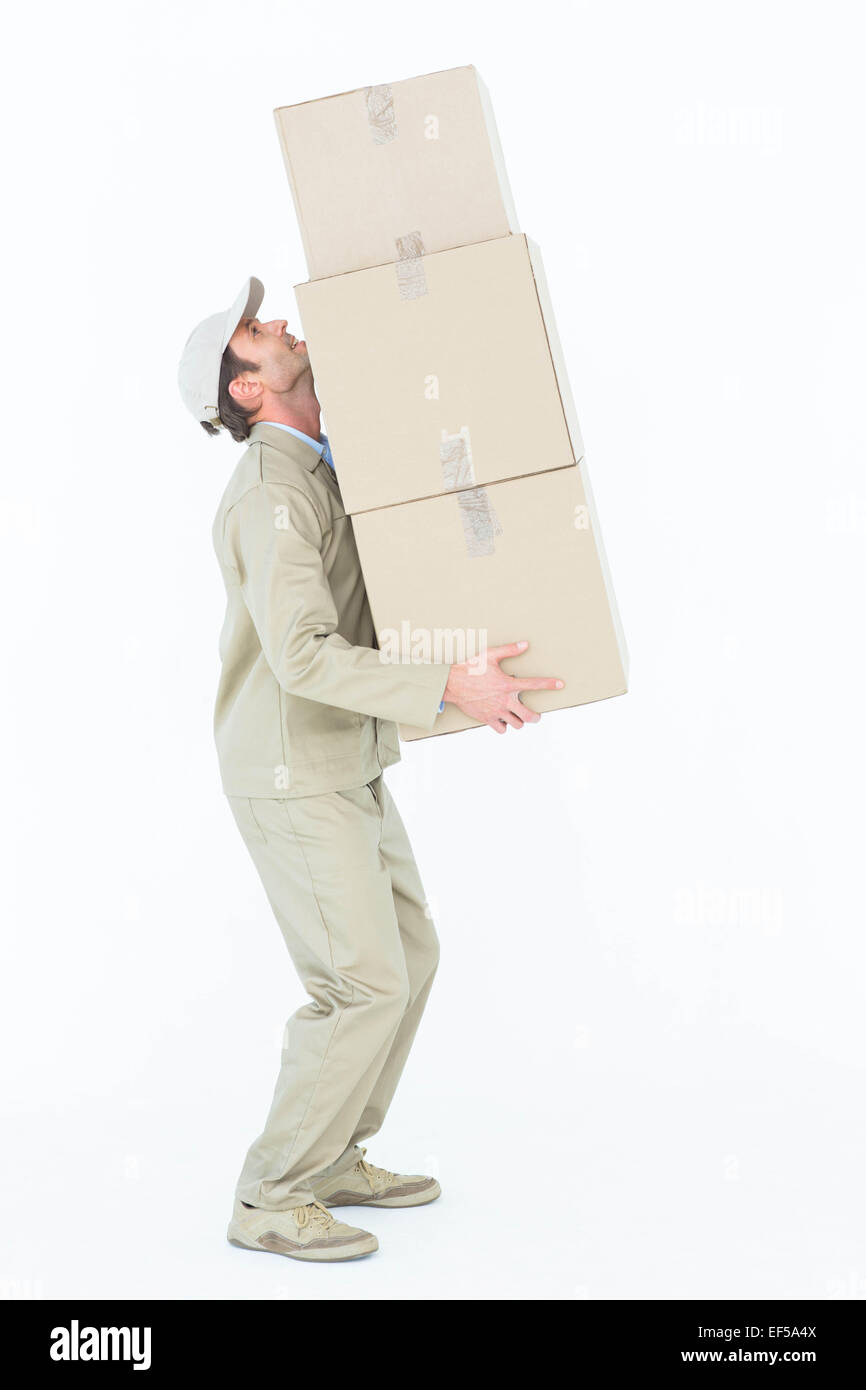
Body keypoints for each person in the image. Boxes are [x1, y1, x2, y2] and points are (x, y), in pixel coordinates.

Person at [177, 277, 564, 1263]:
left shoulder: (322, 465)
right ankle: (271, 1192)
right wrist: (449, 686)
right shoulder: (269, 495)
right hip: (288, 770)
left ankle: (334, 1151)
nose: (273, 323)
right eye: (252, 333)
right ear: (247, 392)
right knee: (359, 984)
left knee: (407, 959)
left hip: (340, 754)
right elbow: (302, 653)